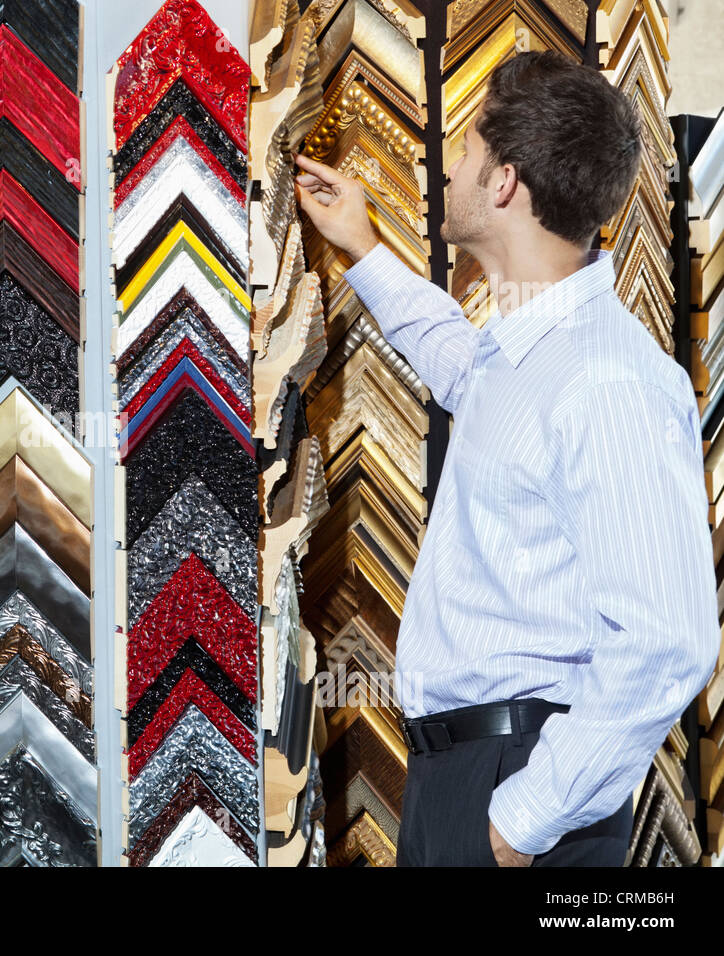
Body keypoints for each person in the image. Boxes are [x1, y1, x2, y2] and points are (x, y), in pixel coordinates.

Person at [293, 49, 719, 867]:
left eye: (463, 153)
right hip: (466, 778)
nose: (448, 168)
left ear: (503, 183)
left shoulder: (610, 380)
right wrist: (364, 248)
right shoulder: (533, 349)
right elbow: (464, 367)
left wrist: (515, 825)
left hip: (517, 791)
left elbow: (670, 640)